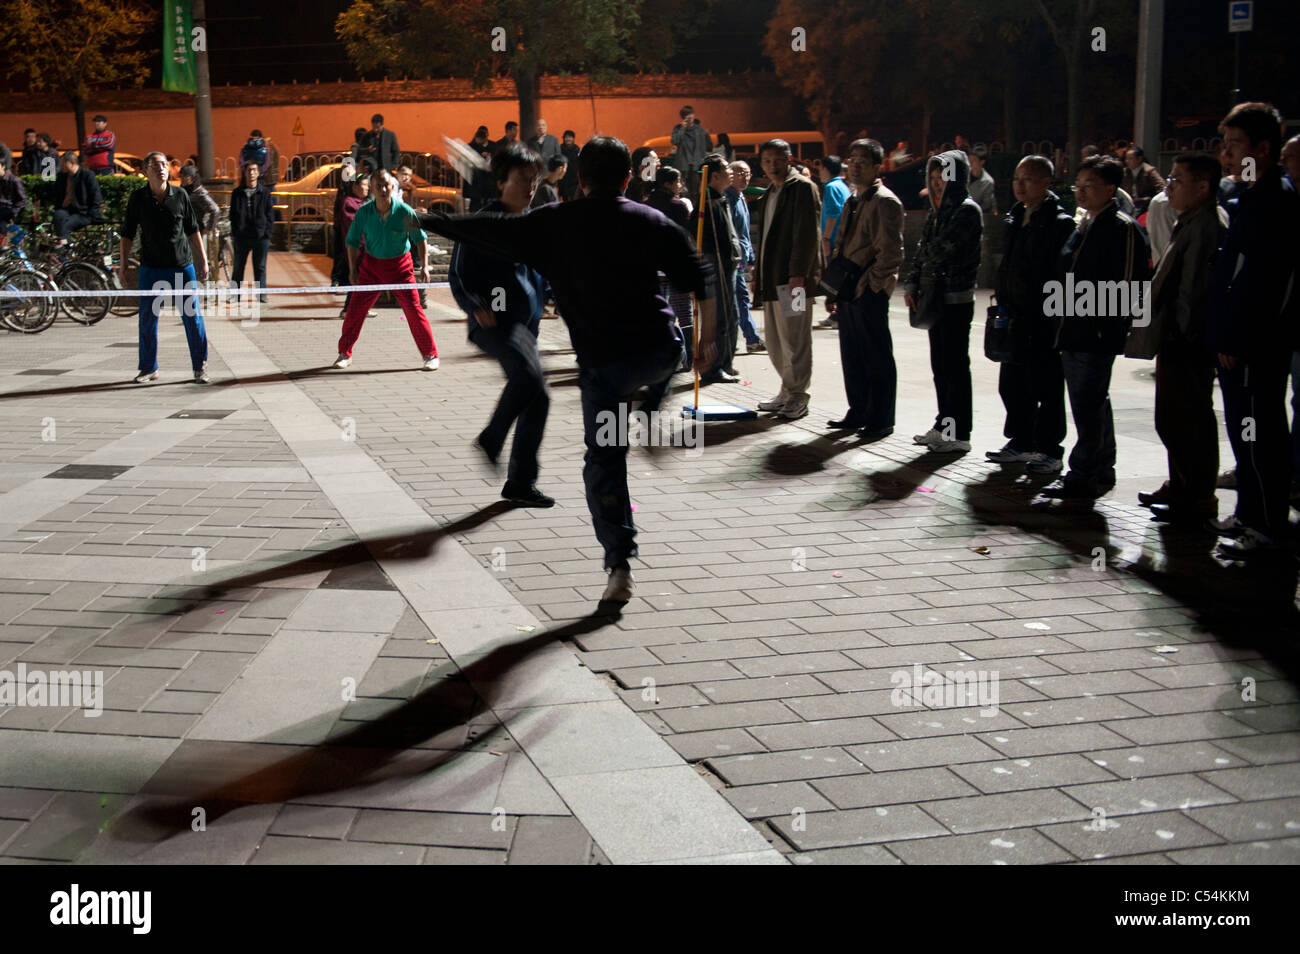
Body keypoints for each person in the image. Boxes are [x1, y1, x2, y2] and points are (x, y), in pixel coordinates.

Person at [417, 136, 719, 603]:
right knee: (662, 360)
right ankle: (650, 407)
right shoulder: (651, 220)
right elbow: (701, 278)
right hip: (659, 351)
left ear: (580, 178)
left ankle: (620, 566)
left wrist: (429, 219)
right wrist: (707, 341)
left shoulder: (556, 221)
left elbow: (489, 228)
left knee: (606, 459)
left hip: (606, 371)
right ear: (627, 178)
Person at [1207, 102, 1300, 556]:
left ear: (1263, 148)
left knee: (1259, 432)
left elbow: (1263, 283)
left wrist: (1236, 337)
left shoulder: (1273, 201)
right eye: (1224, 143)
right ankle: (1249, 512)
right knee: (1246, 432)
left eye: (1235, 144)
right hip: (1242, 341)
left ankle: (1265, 524)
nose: (1226, 153)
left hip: (1255, 345)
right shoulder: (1251, 194)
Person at [1125, 153, 1228, 523]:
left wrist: (1181, 334)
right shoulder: (1190, 220)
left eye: (1177, 180)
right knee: (1173, 417)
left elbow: (1194, 291)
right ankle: (1182, 486)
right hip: (1177, 335)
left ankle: (1197, 497)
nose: (1169, 188)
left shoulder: (1206, 225)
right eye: (1169, 179)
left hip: (1187, 339)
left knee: (1188, 418)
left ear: (1202, 186)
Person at [1041, 154, 1150, 500]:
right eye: (1079, 185)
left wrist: (1111, 328)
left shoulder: (1122, 227)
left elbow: (1132, 283)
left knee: (1088, 404)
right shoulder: (1084, 224)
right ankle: (1100, 466)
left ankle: (1083, 473)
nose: (1081, 191)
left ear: (1111, 188)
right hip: (1072, 328)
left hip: (1095, 333)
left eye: (1090, 185)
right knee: (1090, 402)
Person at [449, 142, 553, 508]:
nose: (530, 187)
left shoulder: (531, 224)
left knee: (538, 398)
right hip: (494, 323)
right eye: (522, 179)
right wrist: (475, 305)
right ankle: (491, 438)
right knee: (530, 382)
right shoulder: (484, 223)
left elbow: (542, 269)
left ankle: (520, 483)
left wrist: (551, 295)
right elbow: (458, 274)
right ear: (500, 182)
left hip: (525, 327)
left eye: (535, 180)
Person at [986, 155, 1076, 474]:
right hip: (1012, 314)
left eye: (1027, 179)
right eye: (1016, 179)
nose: (1020, 186)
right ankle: (1020, 441)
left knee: (1046, 385)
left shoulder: (1060, 222)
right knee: (1012, 383)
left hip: (1041, 317)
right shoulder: (1015, 216)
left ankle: (1049, 448)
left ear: (1046, 182)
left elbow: (1060, 273)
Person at [903, 150, 984, 453]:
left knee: (954, 366)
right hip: (935, 296)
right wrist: (913, 282)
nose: (938, 183)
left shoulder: (967, 210)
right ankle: (944, 425)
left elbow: (941, 250)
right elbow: (922, 249)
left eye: (944, 177)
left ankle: (958, 433)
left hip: (956, 299)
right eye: (934, 177)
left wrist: (922, 266)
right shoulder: (936, 212)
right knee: (940, 366)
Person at [824, 139, 905, 442]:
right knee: (852, 354)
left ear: (877, 166)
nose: (855, 166)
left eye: (863, 161)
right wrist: (834, 288)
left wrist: (874, 287)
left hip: (868, 289)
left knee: (876, 355)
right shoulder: (853, 199)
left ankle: (881, 418)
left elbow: (891, 252)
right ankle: (858, 410)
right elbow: (842, 246)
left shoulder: (885, 201)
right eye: (852, 160)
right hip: (847, 287)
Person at [120, 151, 210, 385]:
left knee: (192, 317)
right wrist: (123, 264)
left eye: (163, 164)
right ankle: (148, 368)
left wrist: (203, 260)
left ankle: (200, 367)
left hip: (181, 266)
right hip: (151, 267)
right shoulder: (138, 198)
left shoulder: (180, 195)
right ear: (145, 171)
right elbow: (127, 233)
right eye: (155, 165)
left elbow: (192, 229)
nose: (161, 168)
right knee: (147, 319)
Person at [334, 168, 437, 371]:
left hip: (401, 267)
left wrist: (425, 266)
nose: (383, 189)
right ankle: (344, 353)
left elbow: (420, 239)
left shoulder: (404, 211)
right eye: (378, 186)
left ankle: (430, 354)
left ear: (393, 187)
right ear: (371, 189)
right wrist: (352, 270)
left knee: (414, 310)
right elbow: (352, 242)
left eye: (386, 185)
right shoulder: (364, 212)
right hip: (371, 267)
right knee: (355, 310)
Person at [752, 138, 823, 420]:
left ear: (789, 159)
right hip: (772, 279)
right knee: (776, 340)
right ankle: (787, 388)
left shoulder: (802, 188)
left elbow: (807, 235)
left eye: (778, 160)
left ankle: (798, 394)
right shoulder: (769, 193)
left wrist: (798, 274)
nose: (772, 166)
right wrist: (758, 276)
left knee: (795, 339)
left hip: (794, 280)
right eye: (767, 161)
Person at [697, 155, 742, 385]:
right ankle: (713, 368)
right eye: (727, 169)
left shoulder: (721, 199)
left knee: (731, 316)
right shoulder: (707, 202)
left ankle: (725, 362)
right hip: (717, 267)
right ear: (714, 175)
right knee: (720, 318)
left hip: (729, 265)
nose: (731, 172)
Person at [645, 166, 695, 364]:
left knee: (660, 313)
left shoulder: (646, 204)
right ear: (668, 184)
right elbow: (685, 236)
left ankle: (665, 355)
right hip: (675, 266)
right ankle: (688, 356)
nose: (680, 185)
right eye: (678, 181)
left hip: (653, 266)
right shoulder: (679, 206)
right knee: (684, 312)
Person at [726, 160, 763, 353]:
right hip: (734, 259)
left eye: (747, 173)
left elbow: (745, 232)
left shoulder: (741, 197)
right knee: (740, 297)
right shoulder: (728, 198)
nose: (745, 177)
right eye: (740, 173)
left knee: (741, 296)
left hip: (742, 257)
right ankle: (751, 338)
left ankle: (750, 337)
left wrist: (750, 256)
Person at [228, 160, 275, 303]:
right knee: (238, 267)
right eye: (249, 170)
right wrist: (236, 232)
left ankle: (261, 294)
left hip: (260, 236)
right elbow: (232, 215)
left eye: (254, 170)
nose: (252, 173)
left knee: (260, 267)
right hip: (242, 236)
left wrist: (267, 233)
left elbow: (270, 215)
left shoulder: (265, 193)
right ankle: (235, 295)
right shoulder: (237, 193)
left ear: (258, 173)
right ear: (244, 173)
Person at [816, 155, 852, 329]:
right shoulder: (842, 186)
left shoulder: (831, 187)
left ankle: (838, 315)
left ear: (825, 169)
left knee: (834, 280)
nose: (819, 173)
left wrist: (825, 239)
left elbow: (833, 214)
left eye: (820, 169)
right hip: (842, 240)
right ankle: (836, 315)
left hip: (834, 240)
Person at [331, 176, 372, 318]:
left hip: (366, 247)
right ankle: (347, 309)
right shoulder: (349, 203)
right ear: (355, 187)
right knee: (355, 279)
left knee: (364, 280)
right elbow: (354, 224)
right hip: (356, 249)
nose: (367, 188)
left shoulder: (366, 202)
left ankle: (362, 308)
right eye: (364, 185)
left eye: (368, 185)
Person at [50, 152, 104, 242]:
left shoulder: (87, 175)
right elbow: (57, 195)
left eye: (63, 163)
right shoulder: (62, 177)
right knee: (58, 216)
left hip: (83, 213)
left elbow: (96, 196)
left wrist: (92, 212)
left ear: (71, 163)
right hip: (67, 209)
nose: (61, 166)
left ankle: (65, 247)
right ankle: (65, 244)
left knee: (65, 226)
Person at [671, 105, 712, 197]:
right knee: (682, 189)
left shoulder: (699, 129)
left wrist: (702, 161)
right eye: (686, 115)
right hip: (683, 164)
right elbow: (675, 141)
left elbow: (705, 146)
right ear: (683, 117)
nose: (689, 117)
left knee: (695, 189)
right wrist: (682, 128)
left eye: (691, 114)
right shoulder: (678, 128)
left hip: (696, 164)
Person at [1122, 147, 1166, 214]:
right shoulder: (1125, 172)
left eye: (1130, 158)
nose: (1127, 161)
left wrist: (1149, 199)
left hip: (1146, 207)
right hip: (1129, 206)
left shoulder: (1149, 171)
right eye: (1126, 158)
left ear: (1139, 159)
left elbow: (1161, 187)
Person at [0, 147, 27, 231]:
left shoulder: (14, 180)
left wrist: (13, 213)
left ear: (3, 166)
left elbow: (22, 200)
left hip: (8, 209)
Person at [967, 148, 998, 214]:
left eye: (973, 161)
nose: (970, 163)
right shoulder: (963, 173)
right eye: (969, 160)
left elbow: (986, 204)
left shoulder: (988, 181)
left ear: (982, 162)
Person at [559, 130, 581, 201]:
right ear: (563, 138)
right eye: (566, 137)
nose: (568, 139)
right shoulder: (560, 149)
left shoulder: (577, 149)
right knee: (565, 199)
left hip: (574, 179)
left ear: (573, 138)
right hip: (563, 178)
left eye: (570, 137)